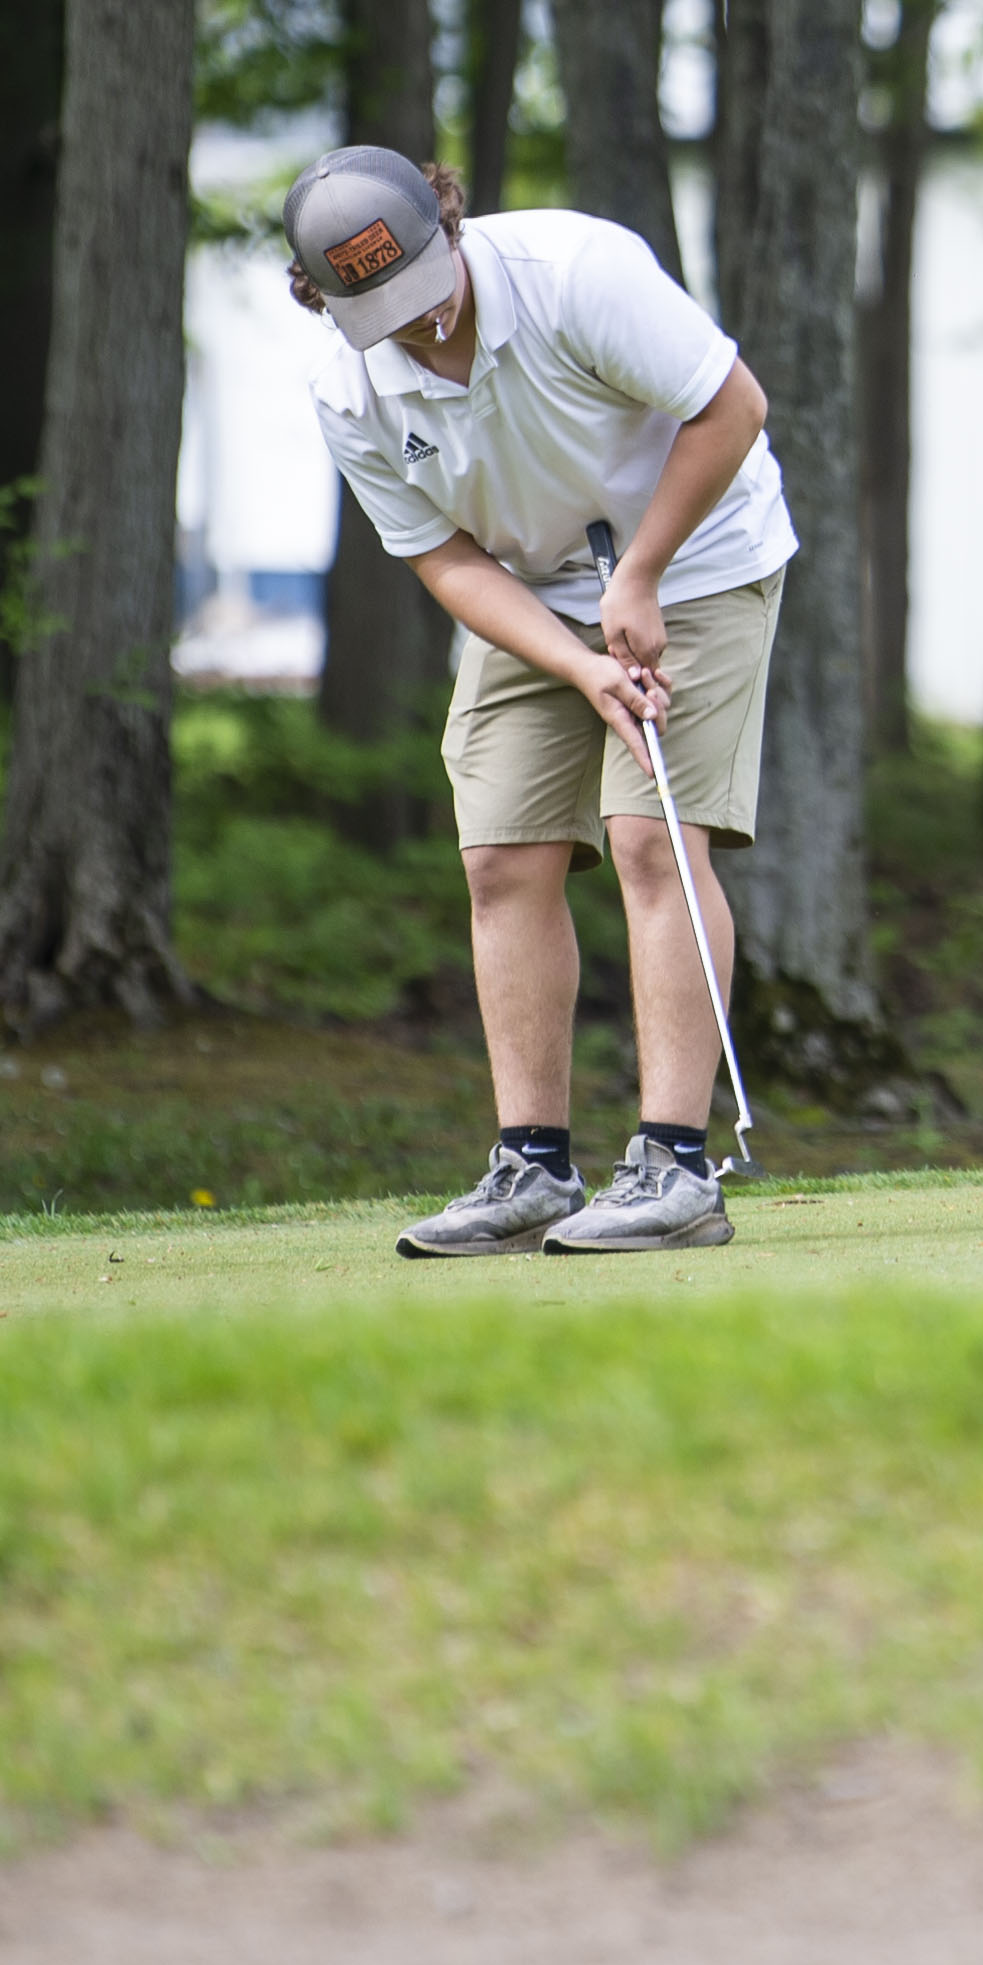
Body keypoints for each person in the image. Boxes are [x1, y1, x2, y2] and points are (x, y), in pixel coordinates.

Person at [282, 145, 790, 1256]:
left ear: (448, 228)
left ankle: (675, 1165)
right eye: (379, 312)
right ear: (324, 298)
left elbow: (732, 407)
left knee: (650, 840)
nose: (416, 327)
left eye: (422, 292)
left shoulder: (575, 272)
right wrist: (576, 663)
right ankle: (533, 1166)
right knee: (501, 854)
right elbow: (443, 557)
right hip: (526, 591)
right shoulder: (345, 384)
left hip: (696, 553)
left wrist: (644, 573)